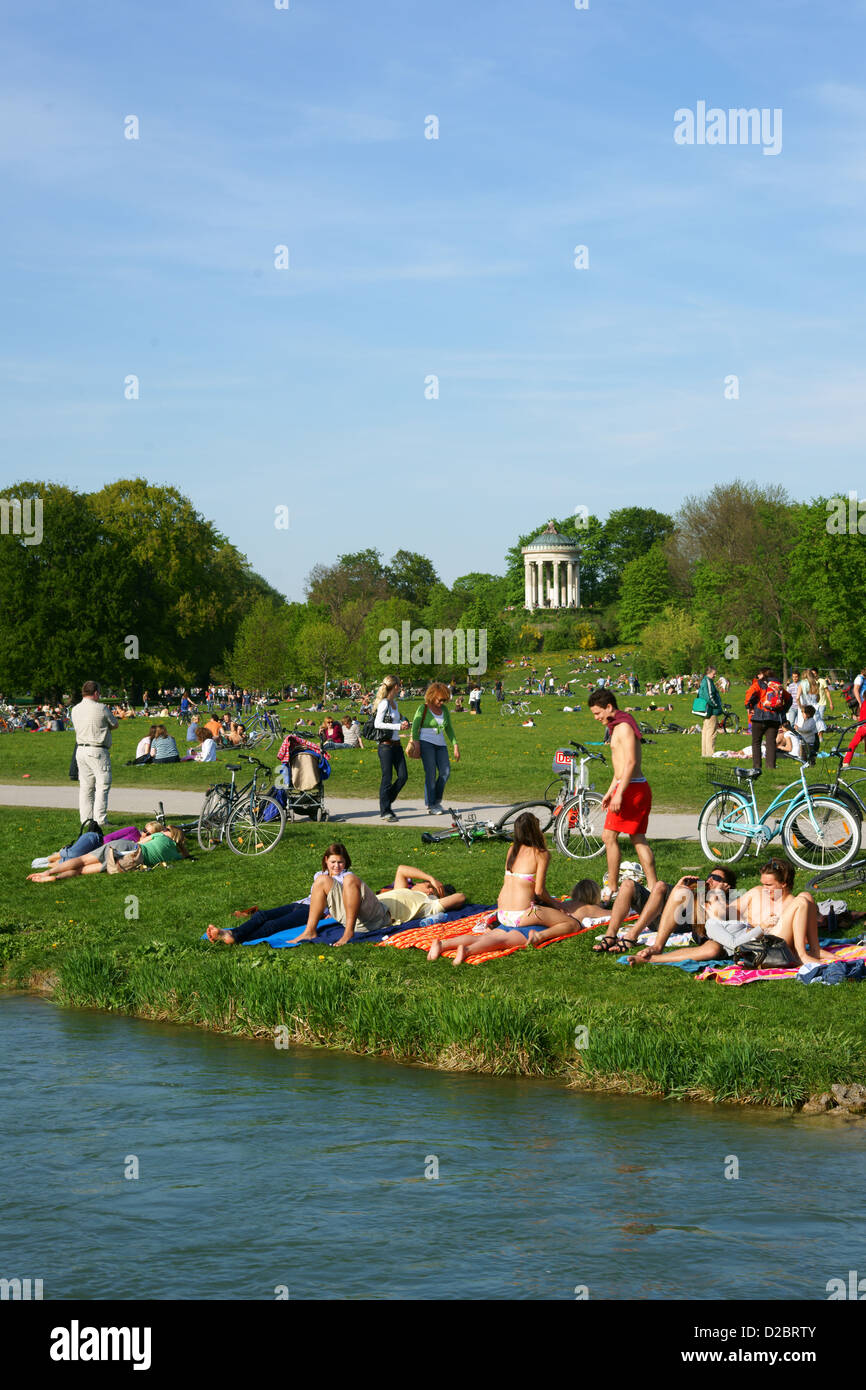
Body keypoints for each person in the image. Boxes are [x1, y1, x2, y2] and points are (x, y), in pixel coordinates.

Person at [426, 813, 577, 964]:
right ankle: (539, 937)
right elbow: (539, 891)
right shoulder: (541, 854)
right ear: (535, 830)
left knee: (486, 937)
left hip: (502, 913)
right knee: (571, 924)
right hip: (522, 914)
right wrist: (556, 904)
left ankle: (443, 944)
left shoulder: (512, 851)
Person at [630, 859, 834, 968]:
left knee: (805, 896)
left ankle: (807, 953)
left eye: (769, 885)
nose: (764, 888)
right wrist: (704, 895)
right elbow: (727, 911)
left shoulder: (793, 902)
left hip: (751, 941)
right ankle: (657, 947)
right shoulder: (755, 893)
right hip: (732, 933)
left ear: (784, 883)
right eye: (763, 883)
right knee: (680, 891)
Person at [587, 687, 657, 891]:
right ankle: (653, 887)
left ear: (609, 707)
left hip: (631, 789)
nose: (596, 717)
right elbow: (619, 767)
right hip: (629, 787)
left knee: (609, 837)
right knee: (637, 838)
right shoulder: (616, 726)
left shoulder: (624, 727)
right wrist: (611, 790)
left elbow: (631, 763)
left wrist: (619, 793)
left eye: (598, 713)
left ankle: (612, 888)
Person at [629, 867, 738, 963]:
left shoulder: (733, 900)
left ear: (727, 885)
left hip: (720, 938)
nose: (709, 880)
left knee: (713, 950)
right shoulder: (702, 892)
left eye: (716, 878)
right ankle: (657, 947)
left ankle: (651, 959)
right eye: (709, 876)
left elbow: (722, 915)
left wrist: (719, 892)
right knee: (680, 891)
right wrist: (679, 885)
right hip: (703, 933)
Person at [28, 825, 188, 880]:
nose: (164, 829)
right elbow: (185, 855)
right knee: (82, 871)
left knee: (82, 860)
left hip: (128, 848)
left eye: (167, 829)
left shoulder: (159, 836)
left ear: (170, 834)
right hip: (130, 863)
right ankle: (56, 878)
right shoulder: (174, 855)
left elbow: (140, 843)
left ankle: (47, 872)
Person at [69, 681, 118, 830]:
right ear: (96, 693)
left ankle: (86, 818)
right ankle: (100, 818)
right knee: (102, 784)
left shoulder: (75, 709)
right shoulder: (101, 708)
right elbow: (114, 724)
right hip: (97, 749)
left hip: (81, 750)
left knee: (86, 787)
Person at [410, 682, 460, 814]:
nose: (442, 702)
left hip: (441, 744)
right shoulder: (423, 708)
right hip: (426, 743)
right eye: (440, 699)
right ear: (432, 696)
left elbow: (449, 728)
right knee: (431, 773)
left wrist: (455, 745)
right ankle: (431, 804)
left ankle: (437, 800)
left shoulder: (444, 710)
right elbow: (415, 727)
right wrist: (416, 743)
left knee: (445, 772)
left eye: (445, 700)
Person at [374, 676, 409, 822]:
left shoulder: (395, 703)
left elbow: (396, 720)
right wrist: (397, 726)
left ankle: (387, 799)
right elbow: (377, 724)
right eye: (399, 684)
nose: (400, 687)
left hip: (397, 745)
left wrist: (403, 722)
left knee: (403, 776)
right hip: (386, 746)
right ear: (394, 686)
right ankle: (385, 811)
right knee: (387, 779)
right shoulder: (384, 703)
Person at [744, 668, 791, 771]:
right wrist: (782, 710)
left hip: (758, 717)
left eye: (759, 674)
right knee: (771, 743)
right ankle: (771, 767)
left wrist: (748, 707)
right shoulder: (778, 685)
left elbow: (749, 694)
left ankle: (757, 767)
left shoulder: (759, 684)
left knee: (756, 742)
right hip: (774, 718)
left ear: (763, 674)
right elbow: (789, 698)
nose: (758, 676)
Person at [693, 665, 724, 757]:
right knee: (711, 732)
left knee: (705, 732)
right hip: (712, 711)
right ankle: (710, 753)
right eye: (714, 674)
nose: (715, 676)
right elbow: (709, 696)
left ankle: (705, 753)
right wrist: (716, 705)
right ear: (708, 673)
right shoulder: (708, 681)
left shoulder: (704, 681)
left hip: (706, 710)